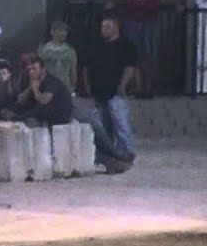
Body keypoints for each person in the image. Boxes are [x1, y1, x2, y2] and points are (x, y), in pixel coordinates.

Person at [107, 0, 179, 98]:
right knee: (135, 54)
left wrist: (178, 2)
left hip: (149, 18)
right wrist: (111, 1)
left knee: (149, 53)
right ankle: (139, 87)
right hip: (132, 18)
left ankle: (149, 87)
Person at [81, 16, 137, 173]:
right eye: (102, 26)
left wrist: (123, 85)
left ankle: (128, 152)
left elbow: (130, 67)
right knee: (105, 126)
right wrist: (88, 86)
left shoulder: (126, 45)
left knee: (120, 123)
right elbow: (87, 67)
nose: (103, 30)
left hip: (115, 92)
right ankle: (112, 153)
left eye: (107, 26)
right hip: (99, 92)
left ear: (116, 28)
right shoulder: (97, 46)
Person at [15, 52, 73, 127]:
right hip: (44, 112)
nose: (31, 72)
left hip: (60, 114)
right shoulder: (30, 80)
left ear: (43, 69)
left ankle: (24, 119)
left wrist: (35, 90)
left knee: (39, 109)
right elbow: (20, 101)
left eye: (34, 69)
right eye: (29, 70)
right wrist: (30, 88)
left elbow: (44, 100)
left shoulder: (52, 81)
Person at [38, 20, 78, 93]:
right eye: (60, 31)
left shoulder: (70, 51)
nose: (63, 33)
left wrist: (73, 87)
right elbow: (39, 70)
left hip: (65, 87)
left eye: (65, 31)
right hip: (48, 88)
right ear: (52, 32)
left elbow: (73, 71)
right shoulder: (43, 50)